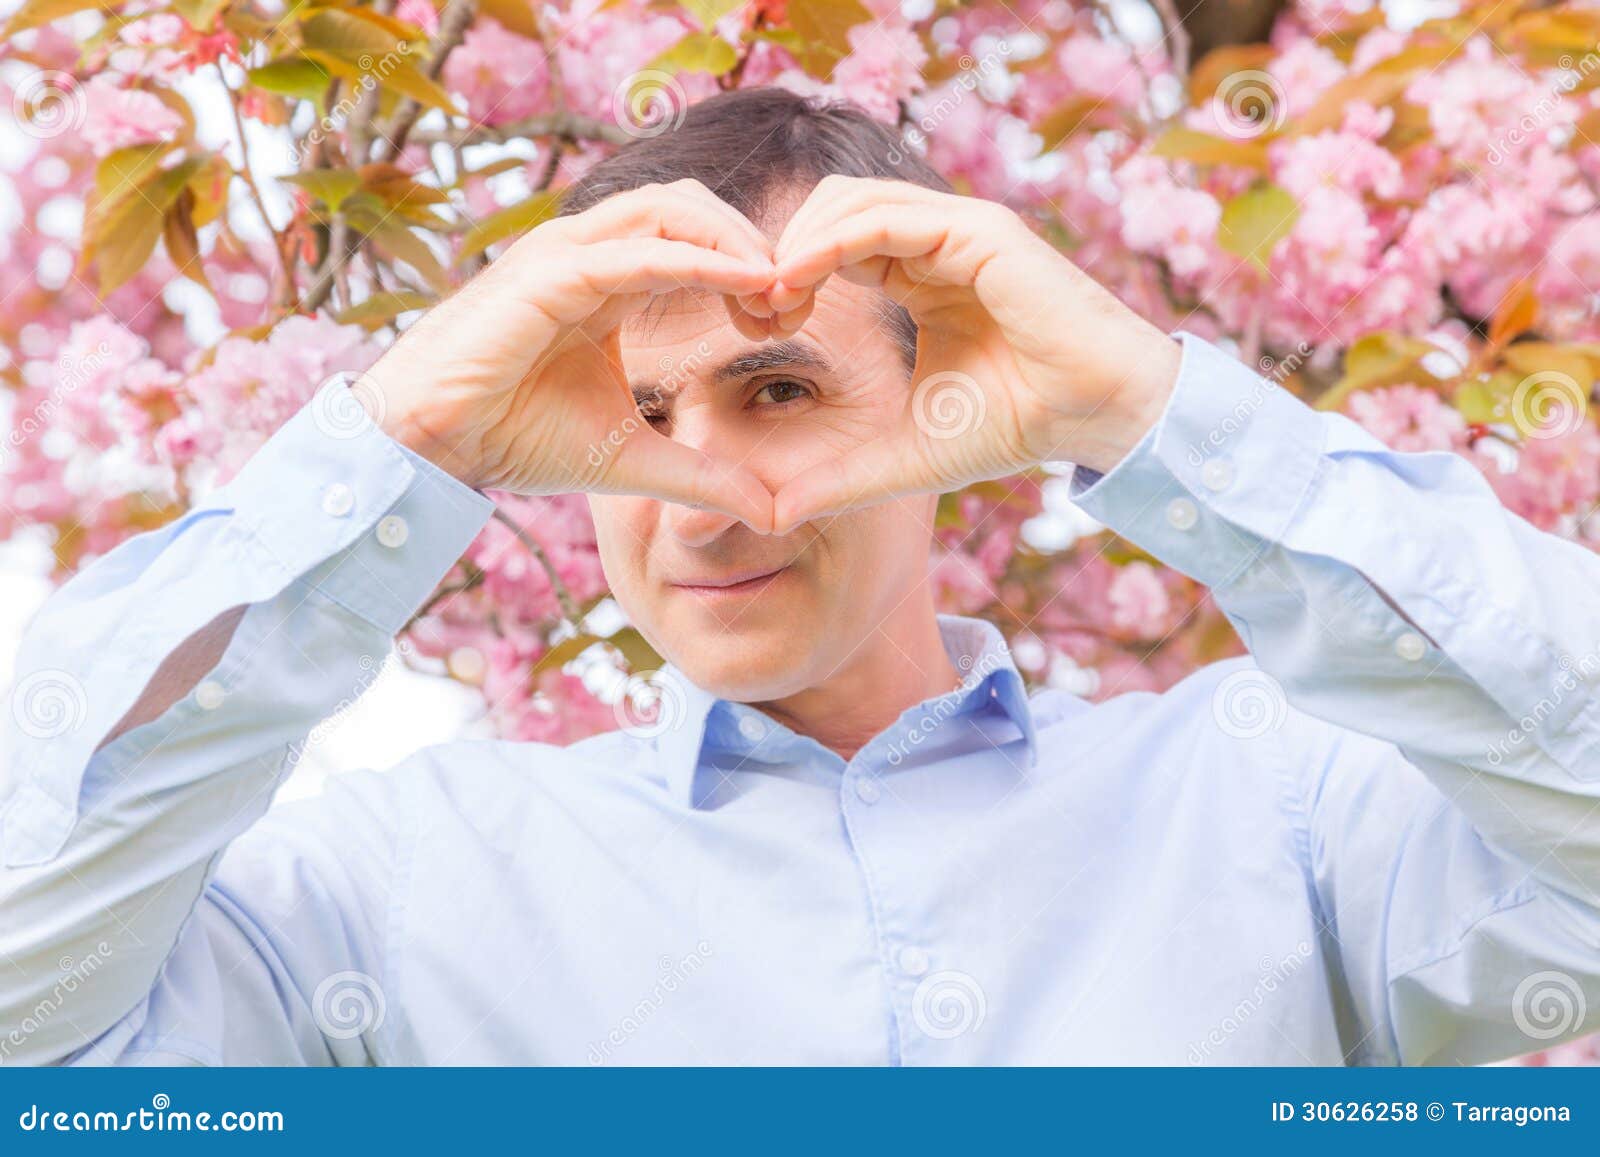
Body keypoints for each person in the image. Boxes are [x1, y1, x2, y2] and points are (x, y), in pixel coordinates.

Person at [2, 87, 1597, 1066]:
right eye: (634, 418)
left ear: (951, 407)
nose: (701, 497)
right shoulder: (395, 881)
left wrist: (1145, 400)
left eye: (777, 392)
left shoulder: (1278, 806)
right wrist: (395, 438)